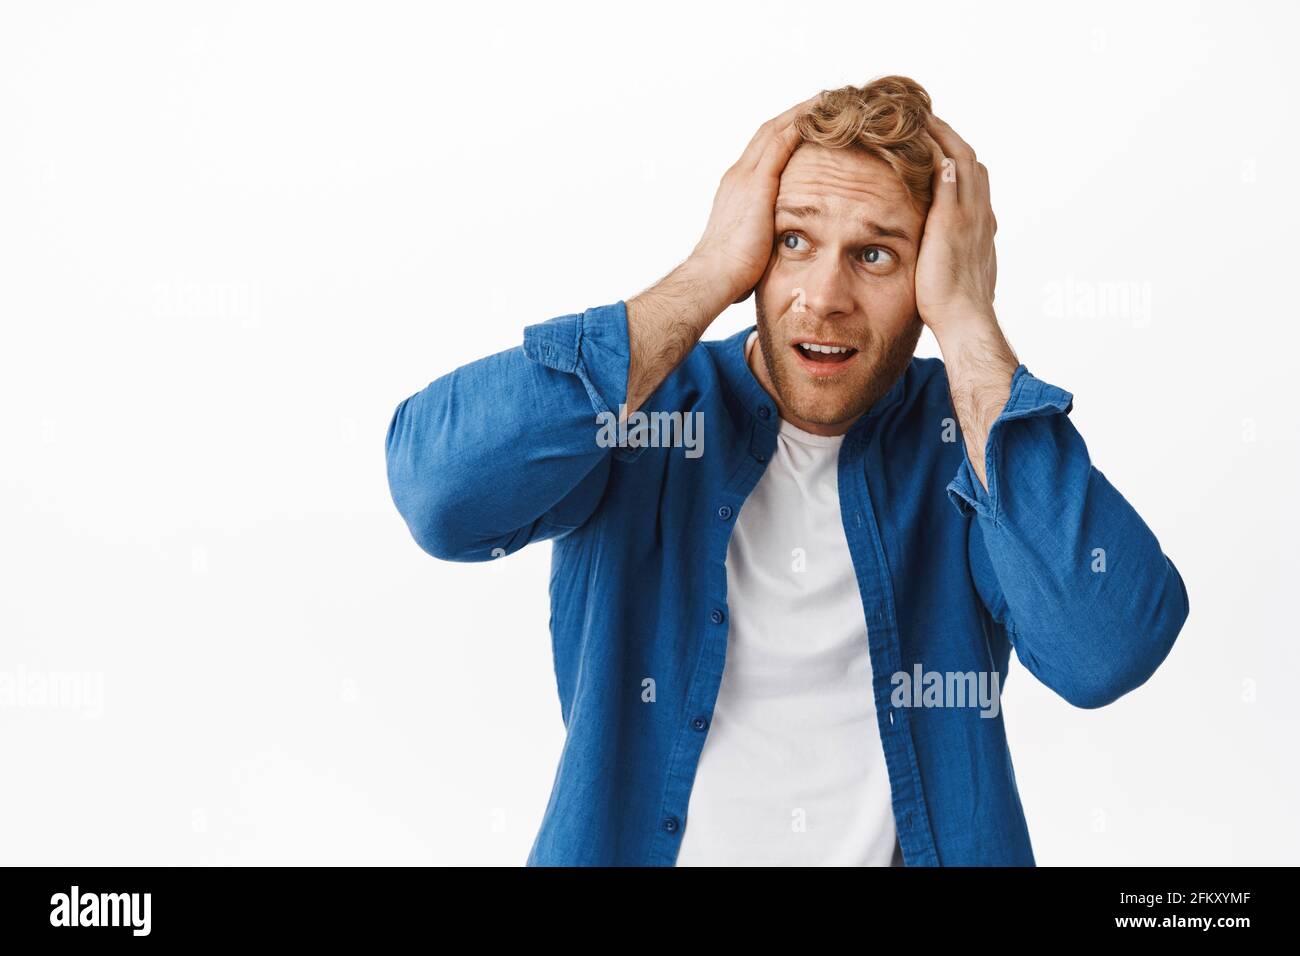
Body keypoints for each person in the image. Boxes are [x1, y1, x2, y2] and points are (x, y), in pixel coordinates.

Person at [385, 75, 1189, 866]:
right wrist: (703, 275)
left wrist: (973, 324)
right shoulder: (642, 411)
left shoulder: (966, 433)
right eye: (793, 240)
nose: (824, 296)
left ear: (932, 277)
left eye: (875, 254)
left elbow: (1105, 649)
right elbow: (439, 496)